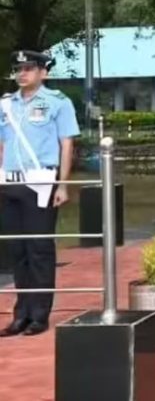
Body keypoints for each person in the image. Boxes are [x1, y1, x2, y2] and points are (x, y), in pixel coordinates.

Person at [0, 50, 80, 337]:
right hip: (9, 183)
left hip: (41, 182)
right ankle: (20, 313)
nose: (22, 73)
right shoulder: (6, 105)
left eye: (29, 68)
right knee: (17, 250)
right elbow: (2, 143)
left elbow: (66, 144)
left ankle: (39, 314)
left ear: (43, 72)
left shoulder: (57, 102)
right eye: (18, 68)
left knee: (39, 249)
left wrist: (63, 183)